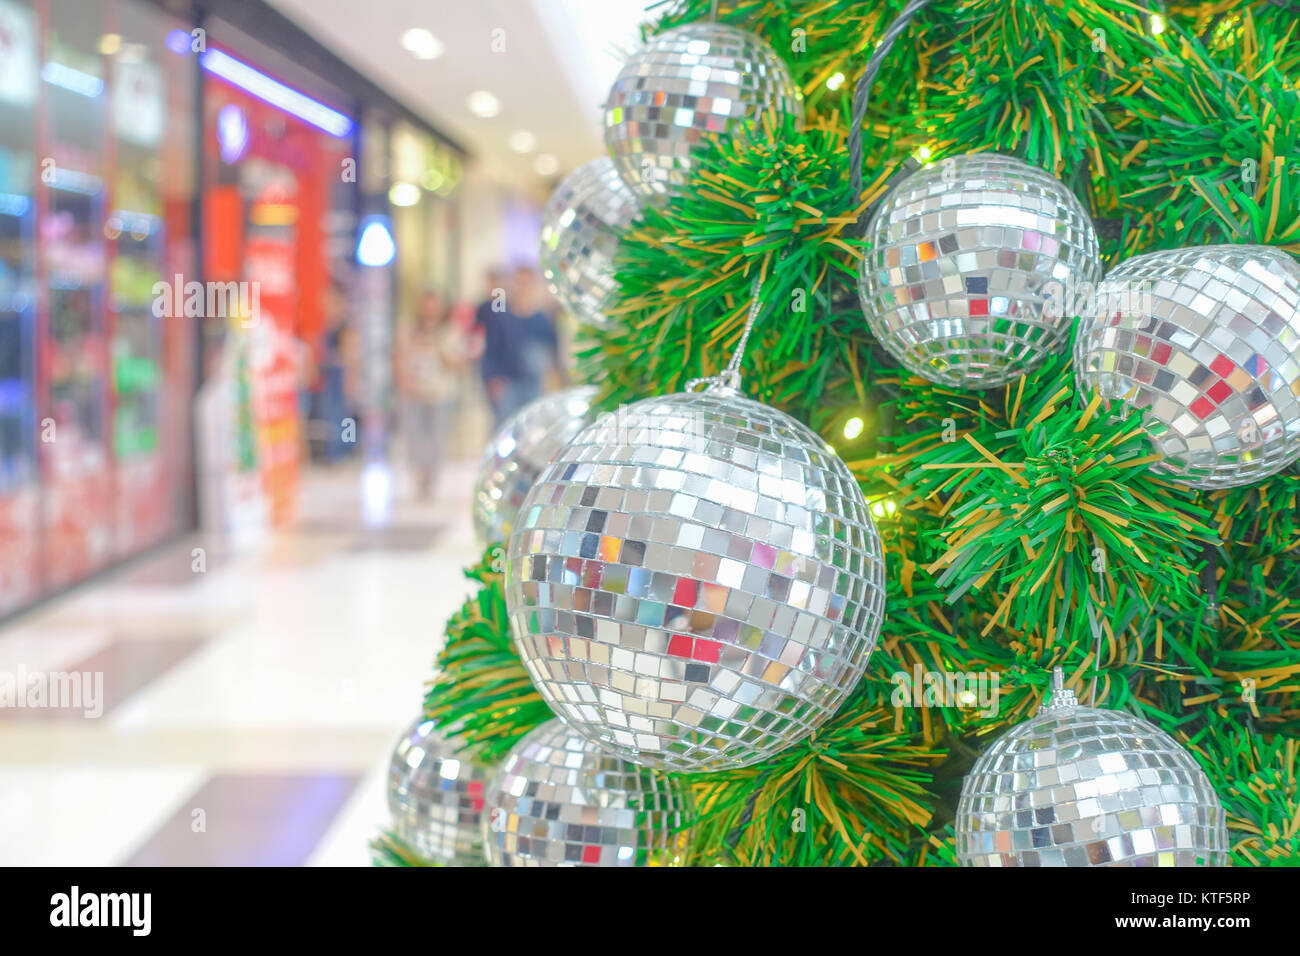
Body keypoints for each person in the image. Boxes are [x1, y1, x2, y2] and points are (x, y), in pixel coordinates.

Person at [395, 289, 468, 500]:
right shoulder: (408, 330)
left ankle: (431, 476)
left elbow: (458, 362)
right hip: (413, 392)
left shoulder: (451, 332)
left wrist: (437, 348)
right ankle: (418, 472)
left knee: (437, 437)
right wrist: (403, 382)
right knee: (414, 437)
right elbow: (399, 356)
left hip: (441, 393)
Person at [475, 265, 560, 426]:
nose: (522, 287)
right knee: (505, 427)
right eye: (518, 282)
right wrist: (491, 376)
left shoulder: (541, 318)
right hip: (508, 384)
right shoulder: (501, 315)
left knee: (531, 428)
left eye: (526, 283)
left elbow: (552, 351)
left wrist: (553, 378)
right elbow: (492, 348)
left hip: (534, 385)